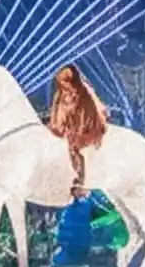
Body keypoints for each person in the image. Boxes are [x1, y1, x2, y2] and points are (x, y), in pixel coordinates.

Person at [47, 64, 109, 197]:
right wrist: (58, 126)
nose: (65, 85)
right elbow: (58, 113)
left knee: (78, 149)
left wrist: (77, 131)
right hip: (70, 128)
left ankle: (83, 182)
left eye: (67, 80)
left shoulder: (85, 91)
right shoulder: (61, 94)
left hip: (87, 128)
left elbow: (90, 112)